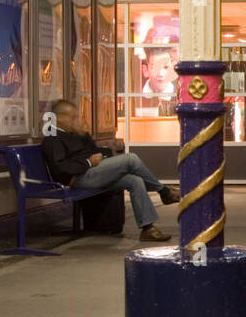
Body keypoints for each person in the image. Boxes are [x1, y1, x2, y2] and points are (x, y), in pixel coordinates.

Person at [41, 99, 179, 242]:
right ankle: (164, 192)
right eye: (72, 117)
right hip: (78, 179)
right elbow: (61, 167)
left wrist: (112, 148)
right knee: (131, 159)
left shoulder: (77, 134)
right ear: (59, 117)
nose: (76, 120)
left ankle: (148, 229)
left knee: (134, 180)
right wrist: (88, 162)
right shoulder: (53, 138)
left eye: (77, 116)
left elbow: (95, 152)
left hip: (93, 173)